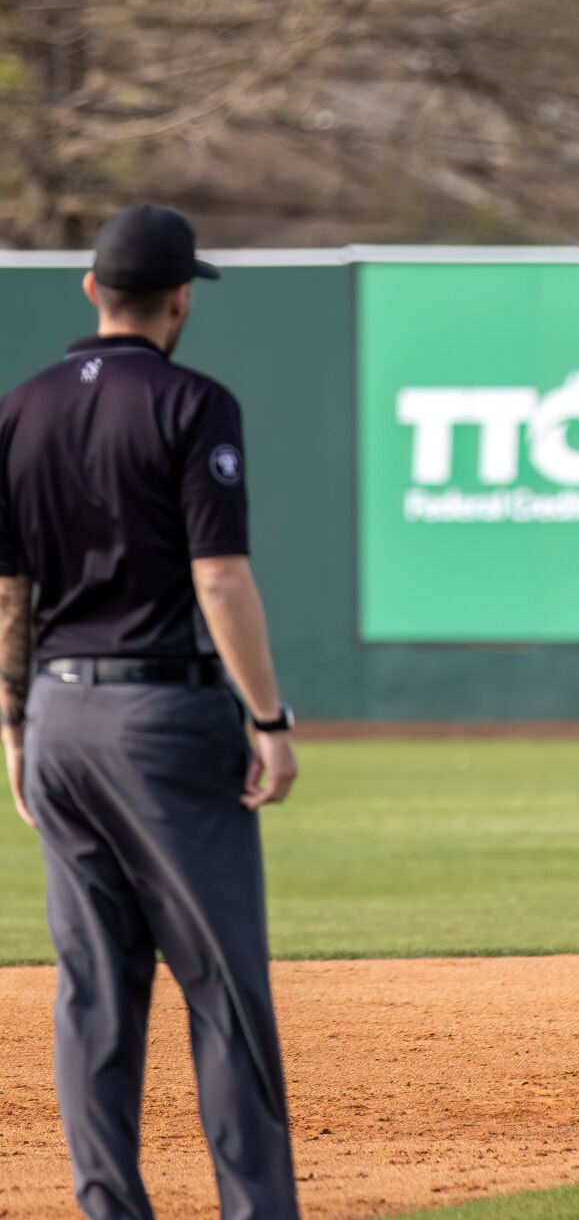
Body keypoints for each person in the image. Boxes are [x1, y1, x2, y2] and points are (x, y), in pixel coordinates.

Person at [0, 204, 301, 1219]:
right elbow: (219, 580)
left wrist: (12, 725)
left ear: (91, 288)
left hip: (56, 716)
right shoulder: (193, 402)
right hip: (160, 717)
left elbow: (8, 597)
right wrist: (267, 716)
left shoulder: (20, 407)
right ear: (180, 297)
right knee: (223, 986)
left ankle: (107, 1208)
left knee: (94, 991)